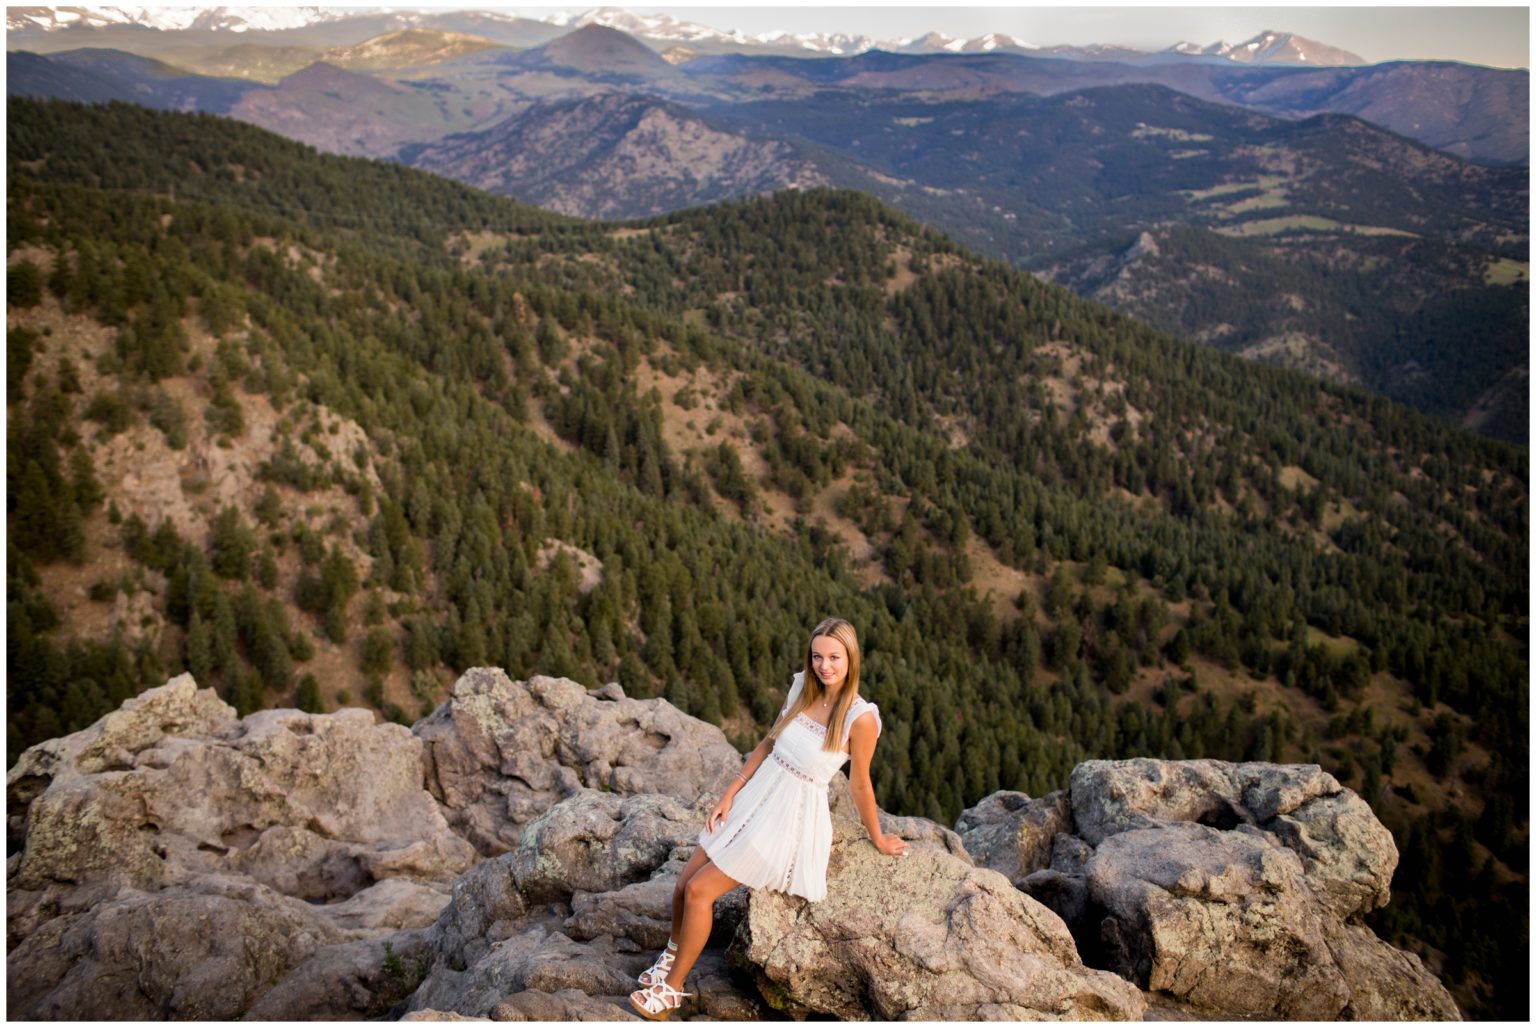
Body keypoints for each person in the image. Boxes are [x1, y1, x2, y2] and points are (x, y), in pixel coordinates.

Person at [628, 616, 910, 1020]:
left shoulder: (860, 718)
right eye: (817, 656)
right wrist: (730, 793)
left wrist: (879, 837)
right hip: (756, 798)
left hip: (788, 819)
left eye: (834, 657)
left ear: (851, 658)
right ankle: (669, 960)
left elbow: (861, 783)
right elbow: (768, 743)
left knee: (700, 891)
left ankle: (672, 990)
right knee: (682, 884)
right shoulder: (803, 688)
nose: (824, 666)